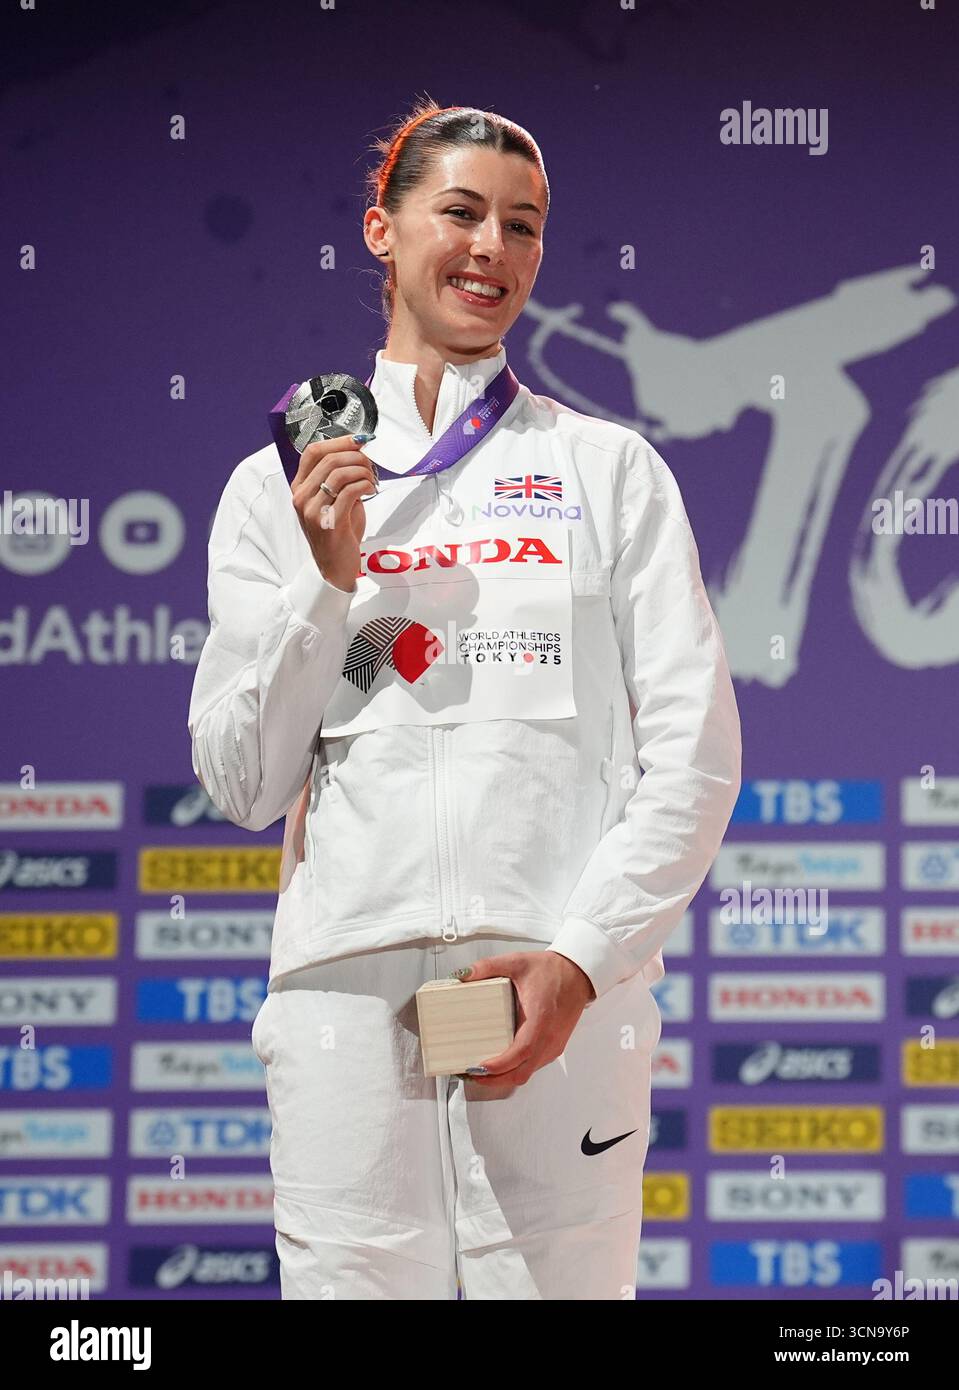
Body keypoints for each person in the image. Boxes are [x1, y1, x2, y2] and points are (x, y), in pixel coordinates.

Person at [187, 99, 742, 1300]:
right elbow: (239, 781)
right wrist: (327, 590)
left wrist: (579, 964)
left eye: (523, 225)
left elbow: (692, 762)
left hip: (546, 999)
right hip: (344, 1000)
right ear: (381, 231)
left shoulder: (608, 470)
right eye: (461, 212)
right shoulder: (275, 486)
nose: (494, 247)